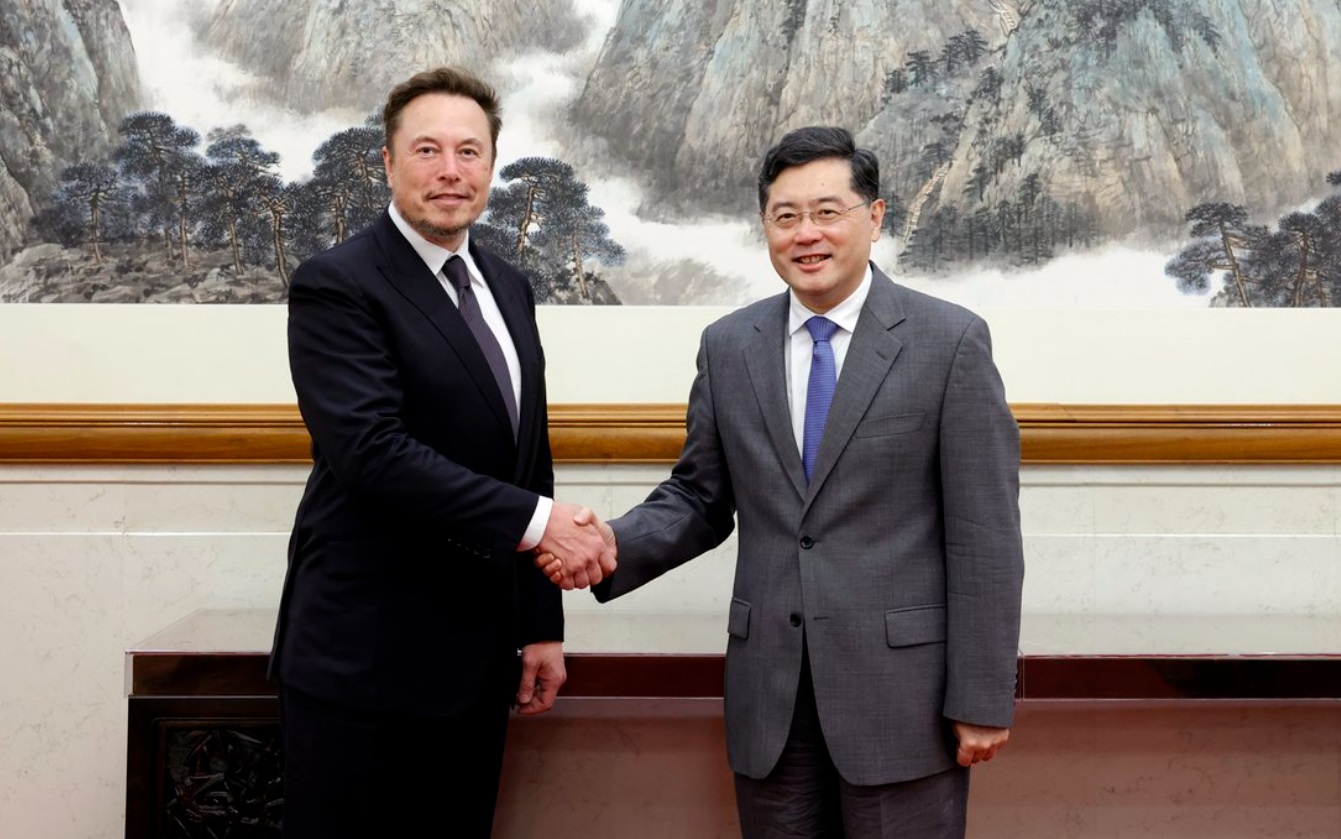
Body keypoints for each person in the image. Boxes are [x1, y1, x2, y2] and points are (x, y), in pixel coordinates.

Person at [542, 126, 1024, 838]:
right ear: (765, 225)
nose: (806, 234)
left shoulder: (947, 341)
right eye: (785, 215)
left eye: (827, 211)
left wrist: (982, 695)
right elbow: (699, 498)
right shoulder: (730, 345)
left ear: (875, 216)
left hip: (902, 701)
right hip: (769, 697)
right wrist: (610, 542)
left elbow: (984, 535)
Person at [272, 66, 613, 839]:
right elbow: (370, 451)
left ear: (492, 165)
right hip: (362, 663)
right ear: (387, 164)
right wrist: (542, 523)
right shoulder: (338, 284)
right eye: (427, 150)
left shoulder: (507, 284)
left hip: (474, 661)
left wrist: (541, 623)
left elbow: (529, 458)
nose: (450, 171)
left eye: (470, 151)